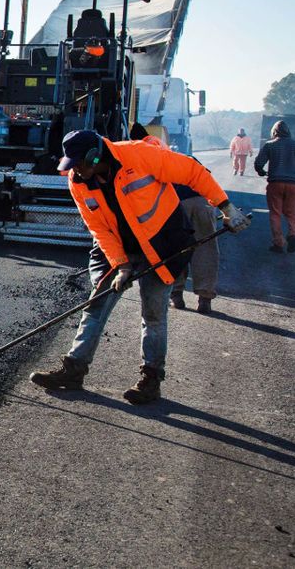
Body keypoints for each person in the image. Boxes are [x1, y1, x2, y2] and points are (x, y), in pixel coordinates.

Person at [30, 130, 249, 404]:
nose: (75, 171)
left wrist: (227, 207)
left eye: (79, 164)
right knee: (97, 305)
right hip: (119, 246)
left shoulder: (139, 154)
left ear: (95, 156)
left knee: (154, 312)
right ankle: (74, 369)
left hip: (162, 242)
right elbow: (98, 228)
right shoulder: (78, 182)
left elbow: (193, 171)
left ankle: (151, 379)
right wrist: (121, 266)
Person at [128, 123, 221, 314]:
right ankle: (205, 298)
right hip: (203, 201)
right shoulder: (182, 156)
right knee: (206, 248)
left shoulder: (146, 158)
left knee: (176, 248)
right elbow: (206, 177)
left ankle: (176, 295)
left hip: (179, 204)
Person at [255, 119, 295, 253]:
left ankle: (278, 243)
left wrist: (260, 171)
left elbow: (259, 163)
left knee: (275, 213)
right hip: (293, 185)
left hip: (275, 184)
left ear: (274, 132)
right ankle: (293, 234)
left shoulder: (269, 145)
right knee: (292, 213)